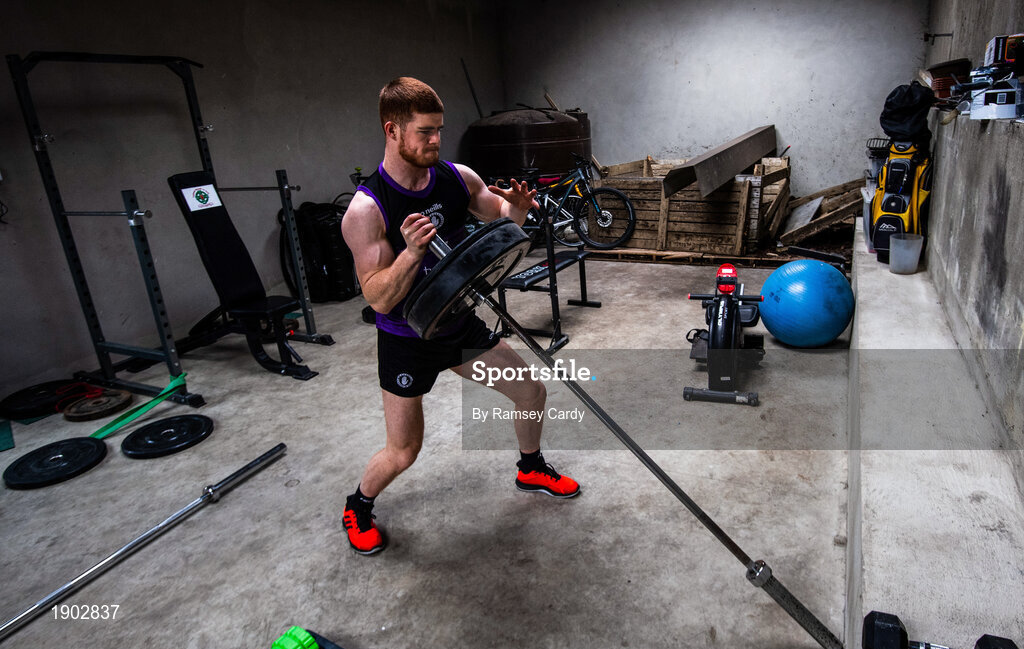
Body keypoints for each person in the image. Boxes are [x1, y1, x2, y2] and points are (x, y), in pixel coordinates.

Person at [339, 77, 580, 555]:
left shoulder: (456, 178)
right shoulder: (366, 211)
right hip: (406, 339)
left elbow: (503, 223)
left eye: (439, 130)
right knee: (404, 451)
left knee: (531, 391)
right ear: (392, 130)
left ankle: (530, 468)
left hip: (458, 321)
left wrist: (518, 209)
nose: (436, 141)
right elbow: (379, 299)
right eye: (424, 132)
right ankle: (357, 505)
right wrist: (411, 253)